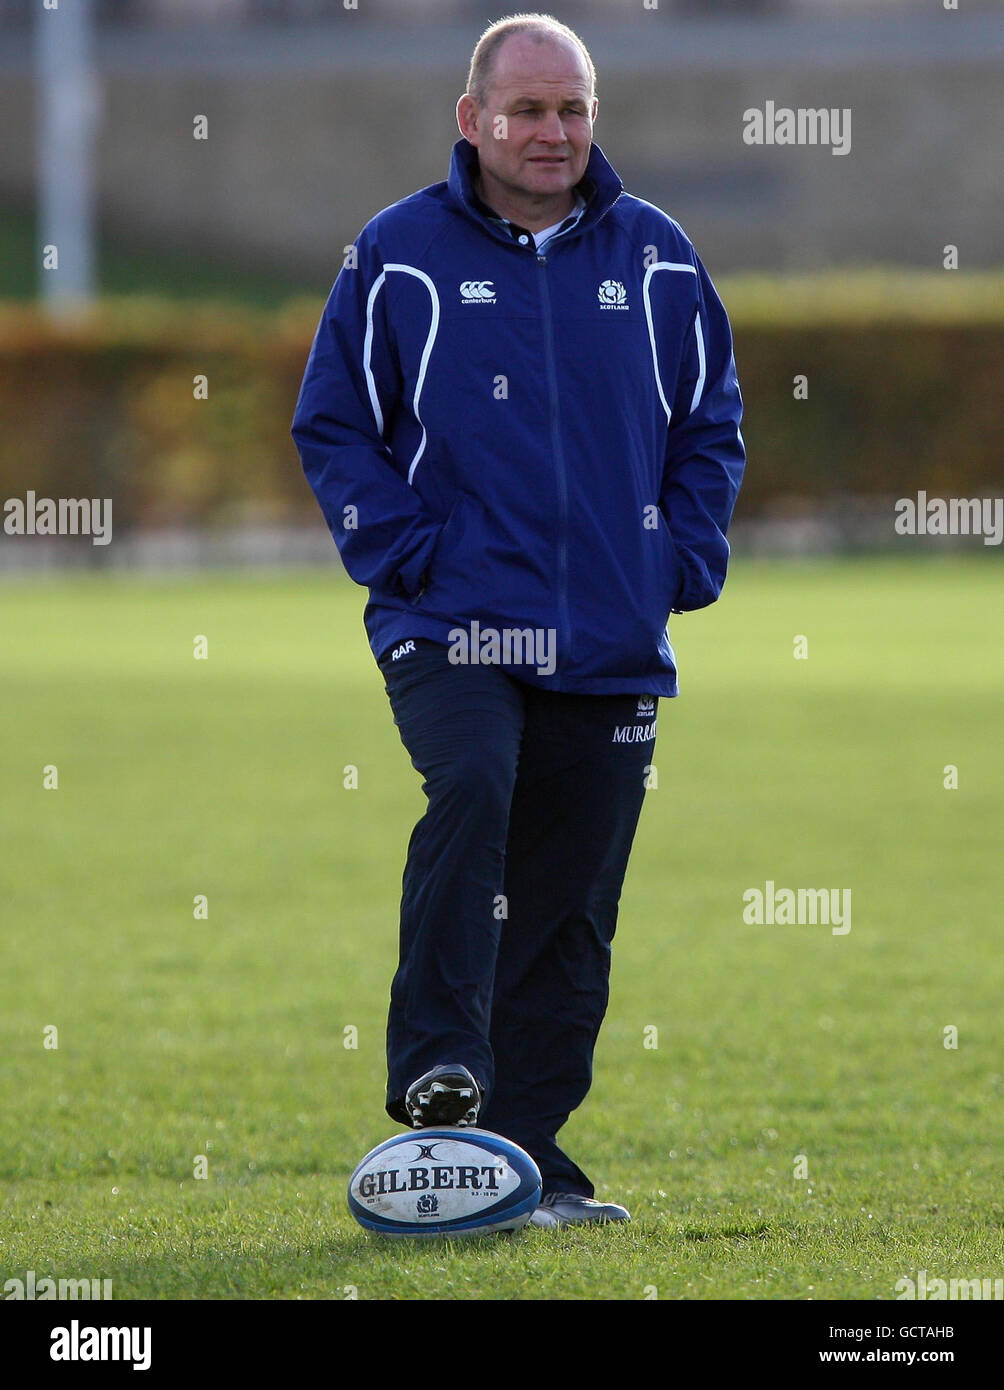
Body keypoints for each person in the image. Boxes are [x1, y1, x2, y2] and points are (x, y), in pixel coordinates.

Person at [291, 12, 745, 1228]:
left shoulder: (654, 258)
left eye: (573, 109)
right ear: (472, 118)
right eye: (528, 109)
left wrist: (677, 563)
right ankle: (438, 1071)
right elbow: (332, 425)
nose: (552, 132)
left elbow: (710, 423)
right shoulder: (395, 254)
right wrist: (409, 555)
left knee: (574, 891)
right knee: (477, 786)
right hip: (452, 622)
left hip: (608, 635)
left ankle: (527, 1161)